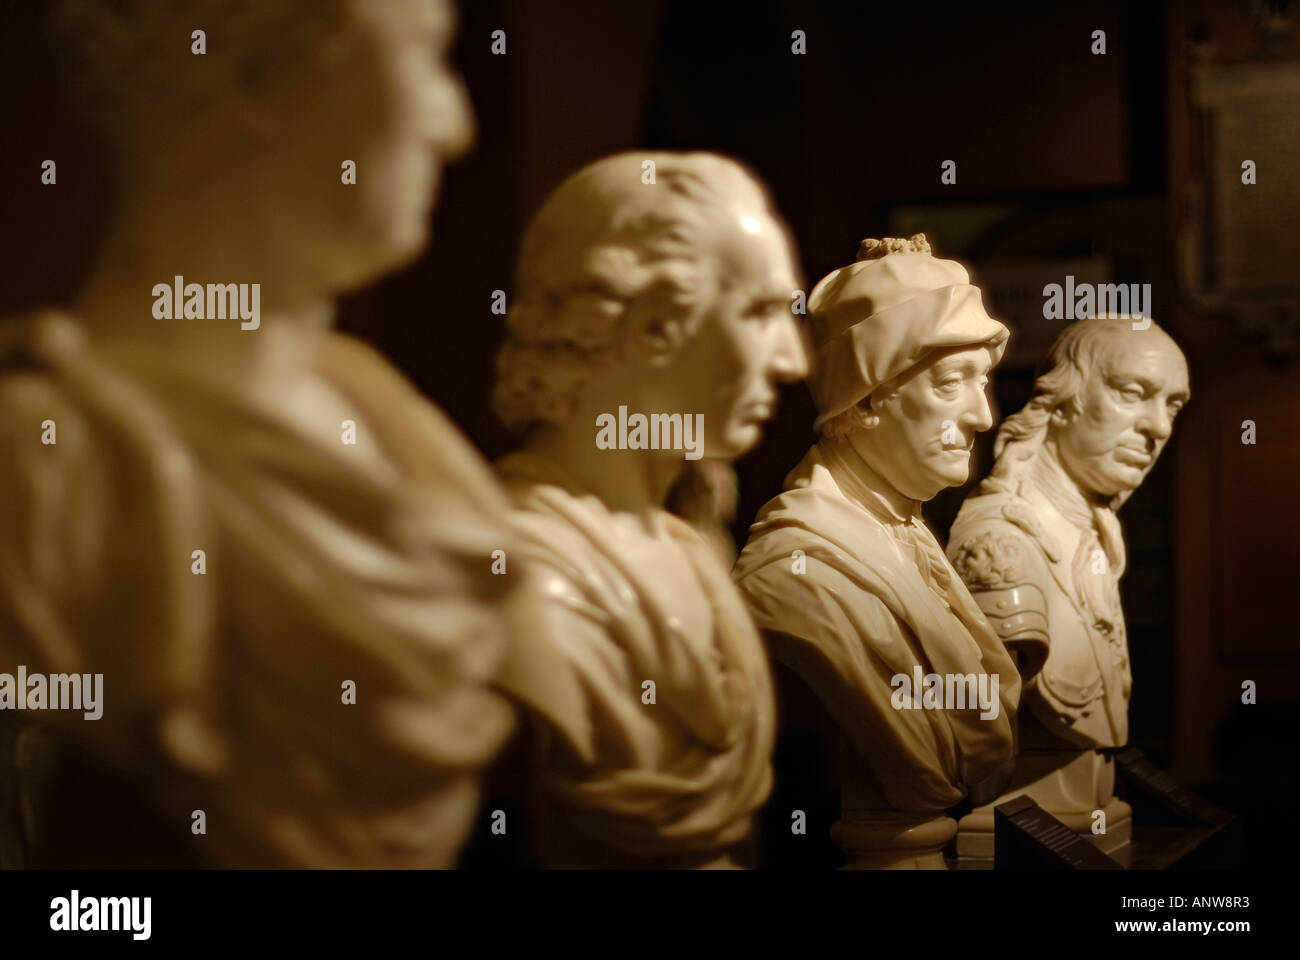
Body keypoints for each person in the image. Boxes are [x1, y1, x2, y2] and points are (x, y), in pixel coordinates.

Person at [0, 0, 521, 867]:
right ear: (259, 73)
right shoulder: (41, 471)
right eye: (427, 57)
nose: (455, 125)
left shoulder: (400, 433)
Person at [491, 152, 807, 868]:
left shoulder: (689, 544)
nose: (792, 361)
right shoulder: (528, 579)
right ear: (656, 325)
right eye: (761, 312)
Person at [733, 234, 1019, 868]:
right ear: (863, 400)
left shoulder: (906, 528)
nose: (982, 417)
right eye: (952, 383)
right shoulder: (796, 574)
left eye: (985, 382)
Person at [947, 315, 1190, 858]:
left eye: (1173, 405)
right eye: (1134, 393)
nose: (1157, 428)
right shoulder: (1001, 546)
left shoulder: (1099, 540)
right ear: (1063, 399)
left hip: (1088, 818)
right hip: (1025, 826)